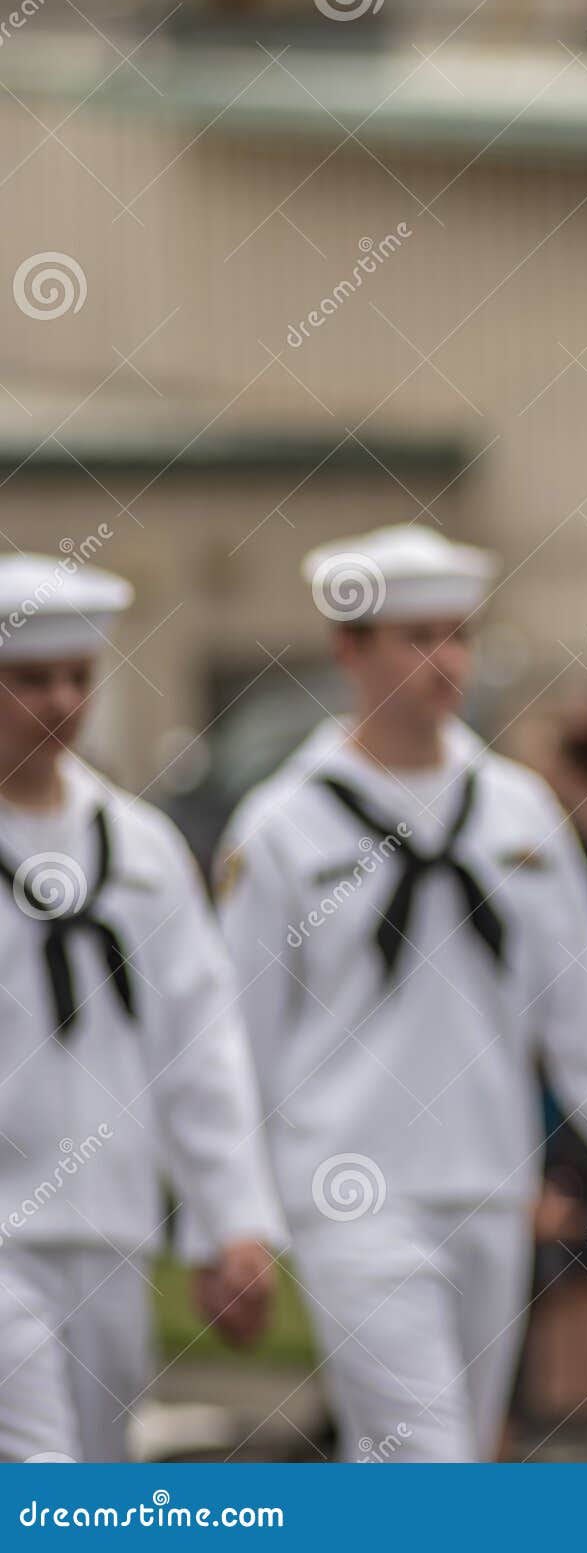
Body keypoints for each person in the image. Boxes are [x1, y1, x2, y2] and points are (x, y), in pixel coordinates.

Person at [213, 524, 587, 1461]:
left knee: (457, 1457)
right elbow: (239, 1030)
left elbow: (580, 1005)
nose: (447, 661)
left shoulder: (516, 809)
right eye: (417, 636)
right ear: (349, 649)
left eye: (460, 634)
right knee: (423, 1455)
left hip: (488, 1178)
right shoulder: (283, 823)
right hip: (351, 1187)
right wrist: (232, 1216)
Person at [0, 552, 284, 1462]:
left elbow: (200, 1045)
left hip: (110, 1226)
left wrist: (231, 1219)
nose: (58, 701)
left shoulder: (143, 848)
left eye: (77, 676)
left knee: (92, 1469)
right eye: (30, 678)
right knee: (36, 1462)